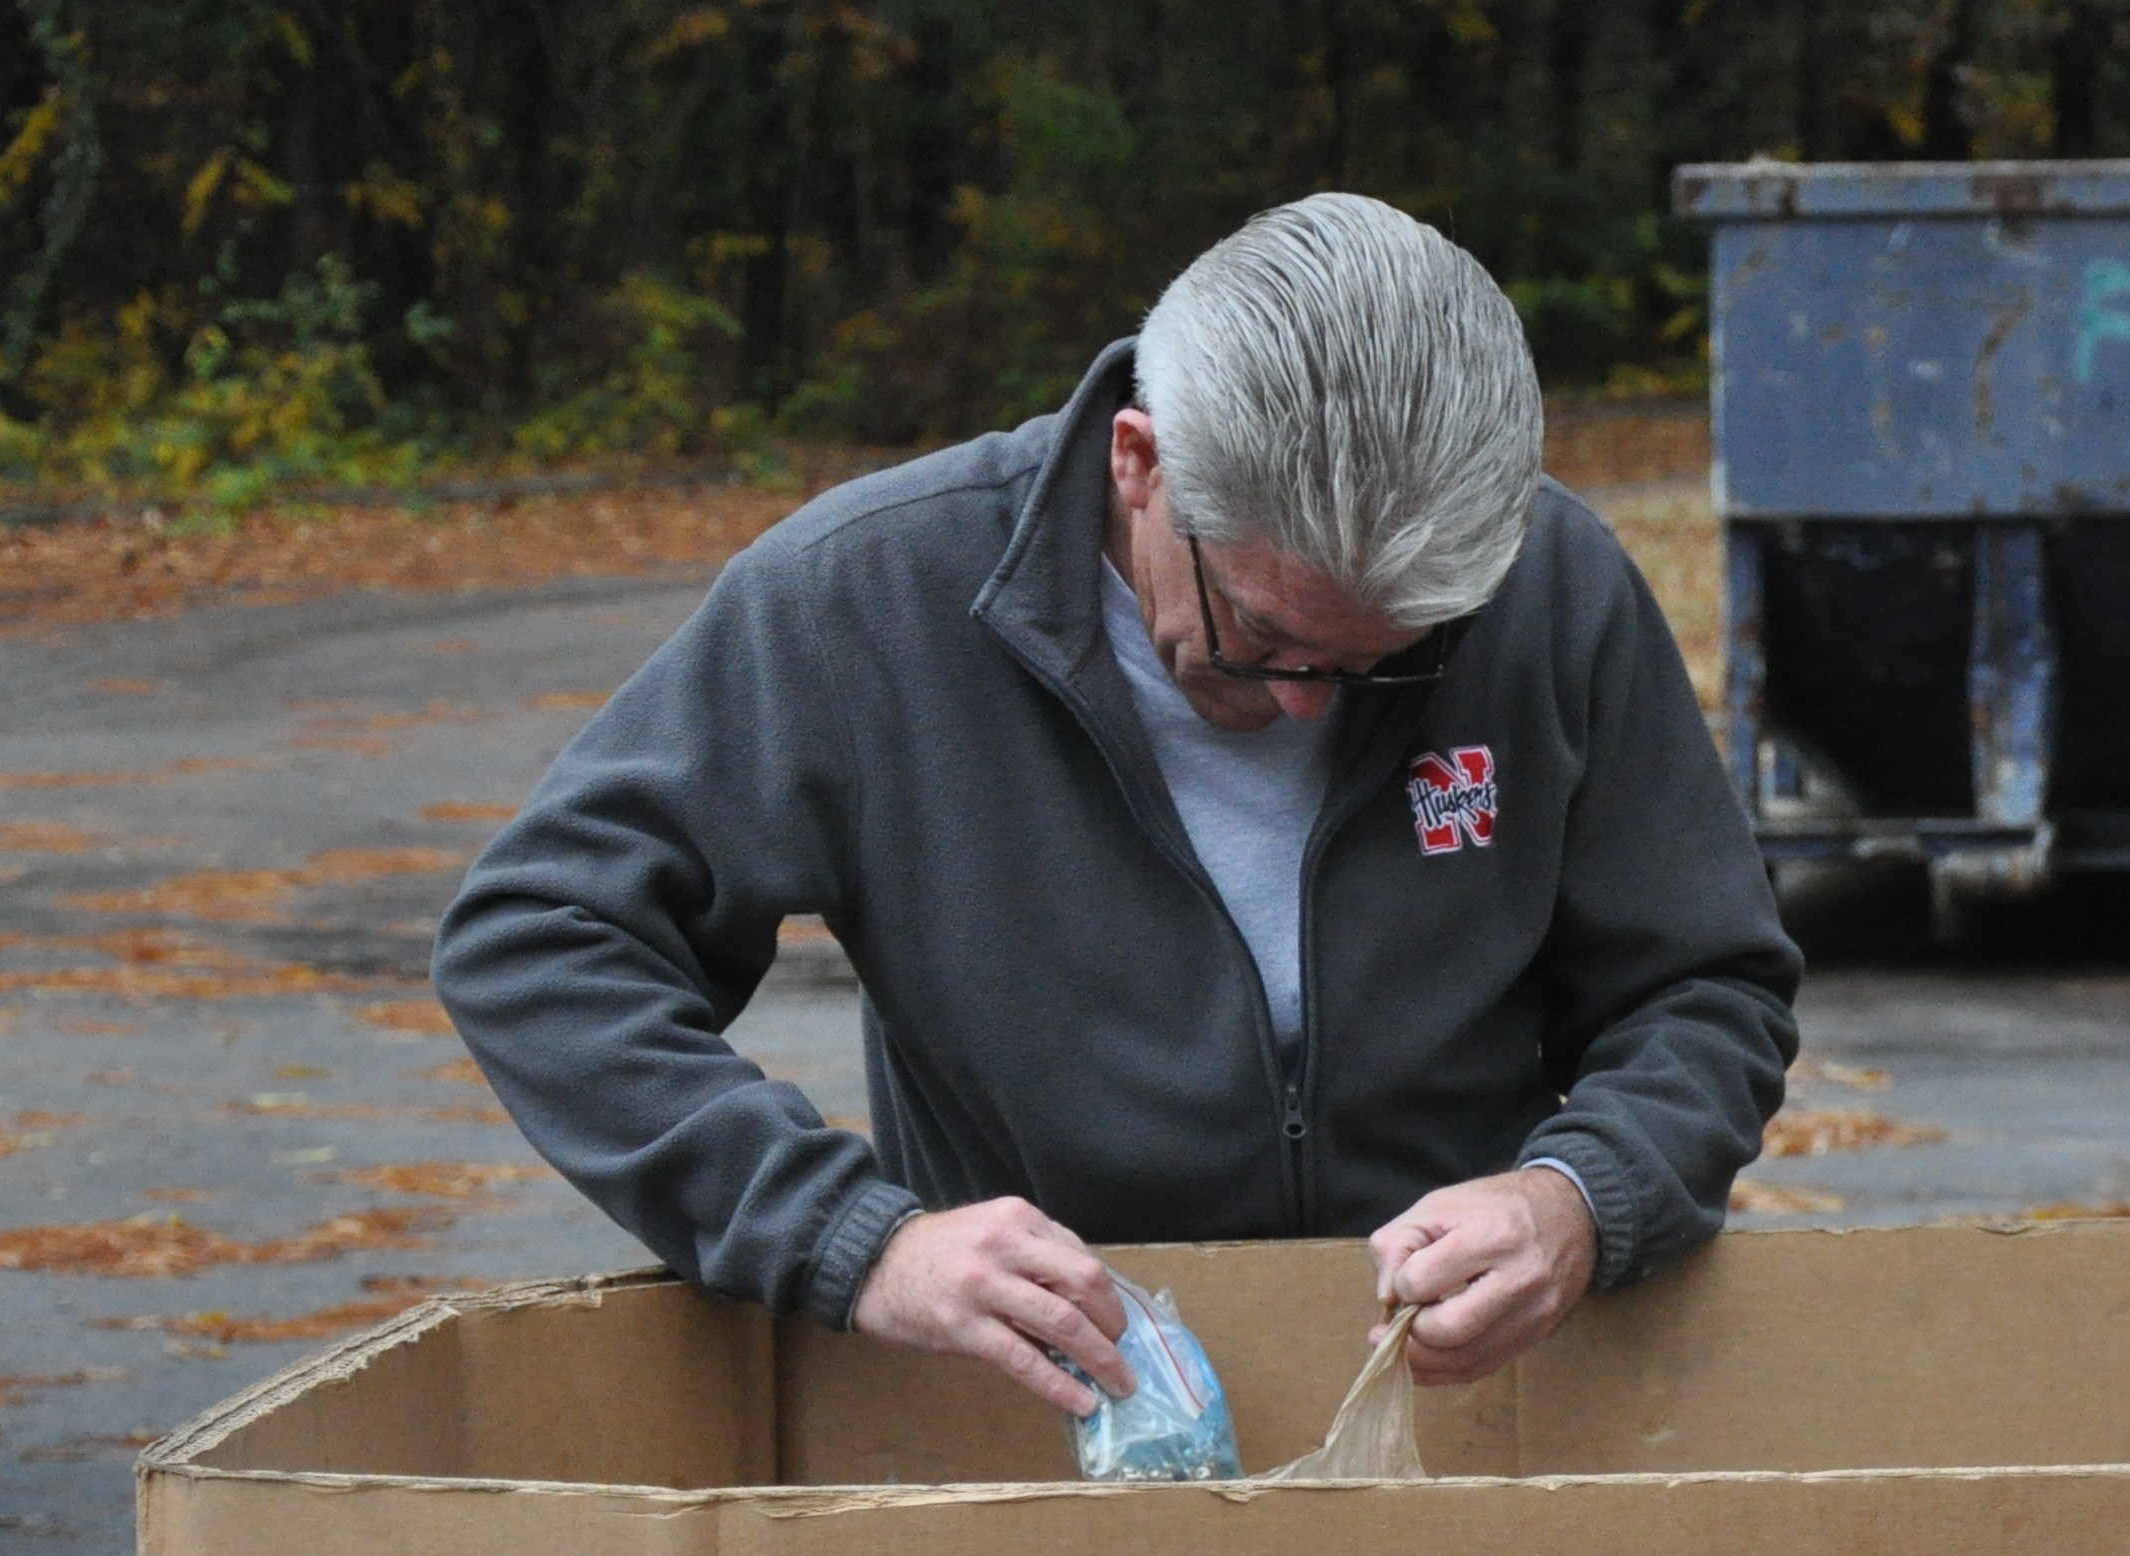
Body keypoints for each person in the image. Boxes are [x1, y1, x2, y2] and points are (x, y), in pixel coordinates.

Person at [433, 194, 1797, 1419]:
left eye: (1389, 659)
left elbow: (1705, 986)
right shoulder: (866, 603)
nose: (1318, 705)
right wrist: (859, 1242)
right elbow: (541, 940)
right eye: (1268, 635)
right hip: (1040, 1417)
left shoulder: (1546, 586)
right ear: (1140, 466)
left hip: (1469, 1402)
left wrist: (1583, 1199)